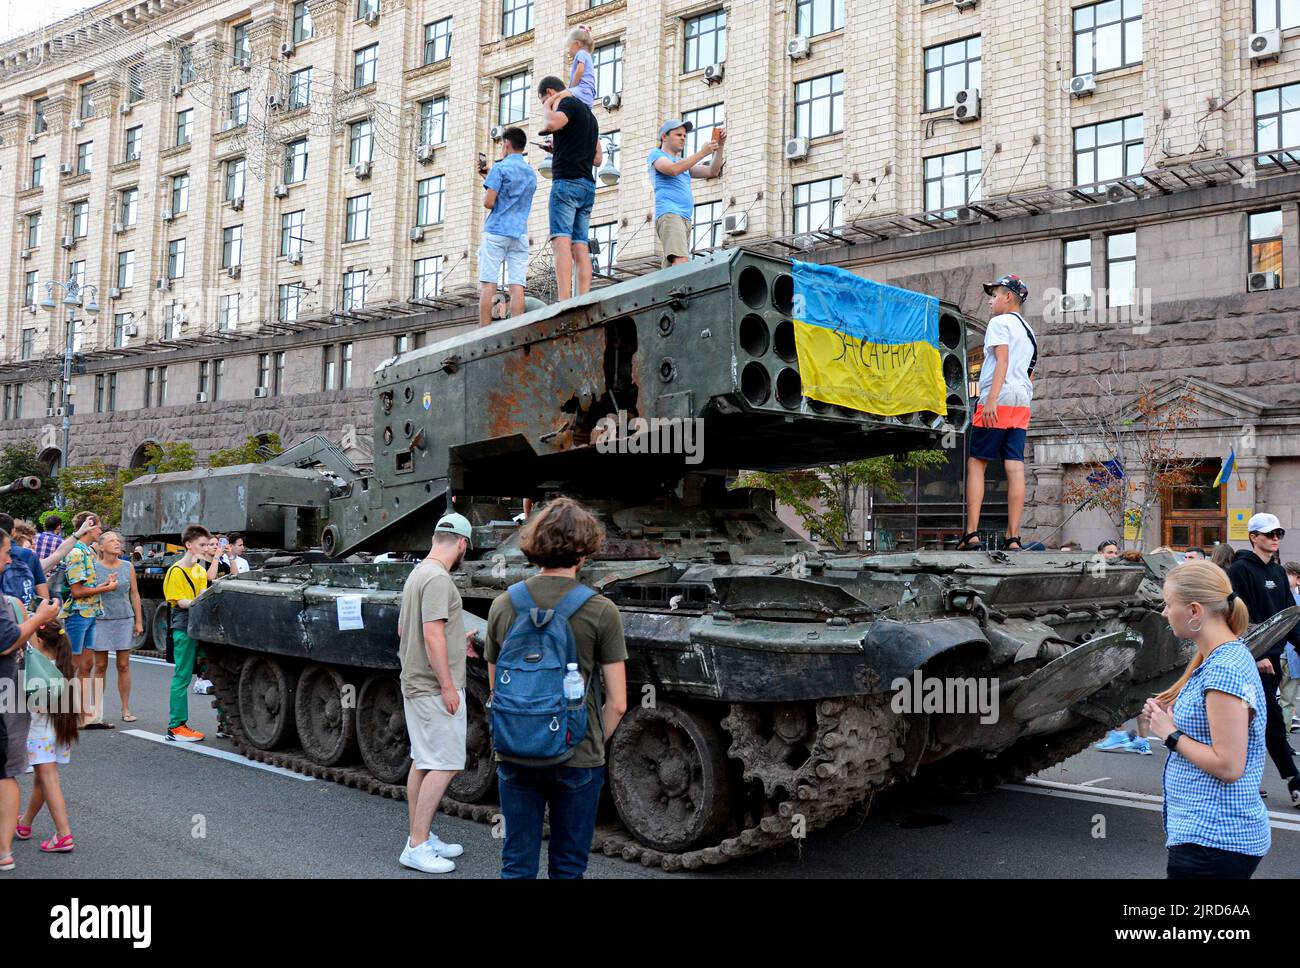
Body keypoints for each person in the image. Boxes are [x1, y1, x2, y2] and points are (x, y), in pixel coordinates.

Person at [484, 497, 628, 879]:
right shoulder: (601, 610)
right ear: (585, 550)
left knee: (516, 862)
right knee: (568, 865)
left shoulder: (503, 605)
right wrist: (586, 739)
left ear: (534, 545)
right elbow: (617, 703)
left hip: (515, 750)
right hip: (577, 756)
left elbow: (497, 688)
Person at [1140, 561, 1268, 878]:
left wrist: (1170, 735)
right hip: (1214, 837)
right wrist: (1171, 718)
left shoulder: (1224, 669)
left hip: (1213, 840)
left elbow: (1228, 766)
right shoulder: (1225, 655)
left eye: (1169, 604)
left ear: (1195, 610)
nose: (1165, 612)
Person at [397, 512, 475, 874]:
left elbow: (403, 630)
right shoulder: (440, 579)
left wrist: (457, 641)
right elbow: (431, 634)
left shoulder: (417, 574)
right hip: (432, 686)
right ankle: (416, 846)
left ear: (435, 538)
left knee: (424, 761)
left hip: (414, 681)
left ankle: (421, 836)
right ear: (462, 544)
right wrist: (447, 685)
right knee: (444, 764)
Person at [958, 275, 1036, 553]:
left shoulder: (999, 323)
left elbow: (1001, 360)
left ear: (1008, 297)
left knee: (977, 462)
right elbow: (1029, 370)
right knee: (1014, 465)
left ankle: (971, 533)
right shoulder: (1029, 330)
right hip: (1022, 399)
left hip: (998, 396)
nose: (991, 301)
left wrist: (990, 400)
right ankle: (1013, 536)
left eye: (994, 295)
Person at [1226, 512, 1300, 805]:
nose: (1275, 539)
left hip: (1273, 661)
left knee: (1254, 723)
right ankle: (1295, 781)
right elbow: (1235, 619)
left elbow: (1288, 620)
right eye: (1269, 534)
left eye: (1278, 533)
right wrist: (1253, 655)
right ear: (1253, 537)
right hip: (1251, 662)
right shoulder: (1240, 570)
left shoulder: (1280, 573)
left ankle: (1242, 777)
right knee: (1267, 722)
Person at [0, 528, 61, 873]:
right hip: (6, 692)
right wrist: (38, 619)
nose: (10, 560)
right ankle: (4, 850)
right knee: (9, 772)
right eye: (7, 551)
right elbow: (8, 642)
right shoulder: (10, 604)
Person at [17, 617, 80, 853]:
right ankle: (25, 824)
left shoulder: (35, 665)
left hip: (39, 733)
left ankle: (64, 834)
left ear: (40, 640)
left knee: (49, 779)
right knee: (41, 780)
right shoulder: (61, 663)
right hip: (57, 732)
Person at [537, 75, 600, 300]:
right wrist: (559, 149)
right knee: (580, 245)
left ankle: (564, 300)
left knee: (561, 241)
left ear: (551, 92)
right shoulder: (590, 117)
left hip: (566, 183)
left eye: (545, 99)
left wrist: (548, 106)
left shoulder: (567, 103)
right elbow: (598, 158)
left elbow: (552, 123)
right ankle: (583, 297)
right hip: (587, 186)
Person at [477, 127, 537, 328]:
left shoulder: (499, 168)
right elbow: (514, 198)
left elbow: (489, 202)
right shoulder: (530, 173)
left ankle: (484, 333)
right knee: (517, 285)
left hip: (496, 231)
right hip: (519, 233)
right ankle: (517, 330)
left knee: (489, 283)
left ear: (507, 144)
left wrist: (491, 179)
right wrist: (489, 178)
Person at [59, 511, 114, 727]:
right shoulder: (76, 553)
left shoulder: (89, 553)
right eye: (98, 526)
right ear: (89, 527)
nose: (100, 531)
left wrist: (104, 586)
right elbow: (77, 591)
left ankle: (83, 714)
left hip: (91, 613)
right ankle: (67, 713)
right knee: (72, 665)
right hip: (79, 614)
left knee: (87, 665)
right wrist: (105, 588)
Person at [647, 119, 726, 268]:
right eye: (678, 135)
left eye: (684, 135)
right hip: (670, 214)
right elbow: (672, 169)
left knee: (673, 266)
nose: (683, 138)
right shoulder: (656, 155)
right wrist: (702, 153)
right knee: (681, 262)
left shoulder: (683, 162)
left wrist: (720, 145)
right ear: (664, 137)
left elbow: (712, 171)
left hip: (685, 218)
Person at [89, 530, 143, 724]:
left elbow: (134, 594)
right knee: (100, 665)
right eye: (112, 541)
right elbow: (88, 593)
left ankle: (126, 708)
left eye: (118, 540)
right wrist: (104, 585)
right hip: (101, 619)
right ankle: (96, 709)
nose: (117, 543)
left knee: (123, 665)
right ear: (101, 547)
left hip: (124, 617)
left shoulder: (128, 566)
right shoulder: (93, 567)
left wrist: (138, 621)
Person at [164, 524, 211, 743]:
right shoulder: (176, 571)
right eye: (202, 545)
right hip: (184, 627)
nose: (206, 548)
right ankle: (176, 727)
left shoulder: (200, 570)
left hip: (200, 625)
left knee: (211, 670)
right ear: (188, 545)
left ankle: (225, 723)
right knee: (182, 676)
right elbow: (180, 601)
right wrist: (201, 603)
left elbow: (202, 593)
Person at [0, 512, 47, 608]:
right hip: (25, 615)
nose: (9, 560)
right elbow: (44, 597)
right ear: (13, 531)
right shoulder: (29, 555)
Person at [556, 25, 596, 108]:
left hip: (582, 91)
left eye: (569, 47)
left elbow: (580, 70)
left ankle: (553, 116)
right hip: (589, 97)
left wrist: (572, 87)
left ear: (577, 44)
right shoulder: (587, 55)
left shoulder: (580, 53)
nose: (569, 52)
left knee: (557, 98)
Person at [1286, 561, 1300, 732]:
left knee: (1286, 698)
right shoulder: (1285, 596)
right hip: (1286, 653)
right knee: (1286, 699)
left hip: (1289, 653)